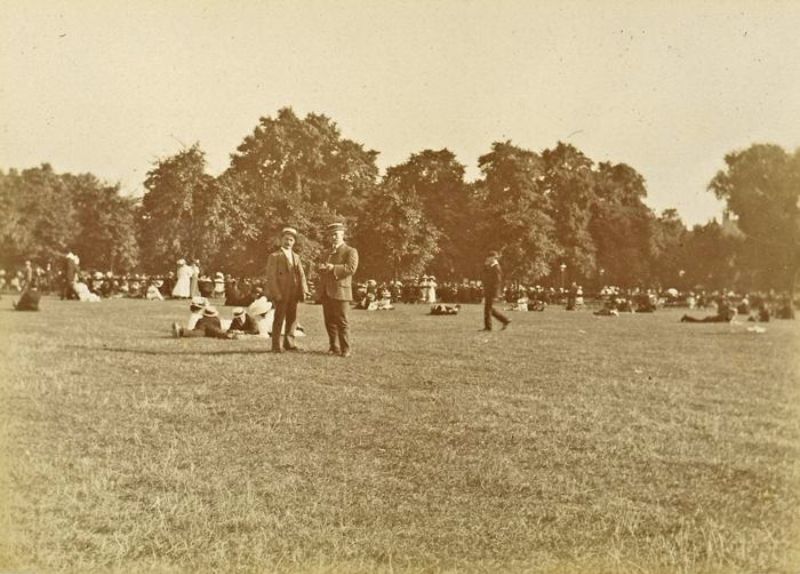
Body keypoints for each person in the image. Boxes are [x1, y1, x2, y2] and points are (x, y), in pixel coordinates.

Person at [265, 226, 309, 353]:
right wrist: (276, 293)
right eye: (285, 239)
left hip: (294, 293)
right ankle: (276, 346)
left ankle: (289, 343)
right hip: (281, 293)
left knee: (292, 318)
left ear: (294, 242)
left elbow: (301, 274)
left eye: (291, 240)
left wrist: (304, 289)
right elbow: (271, 277)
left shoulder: (296, 256)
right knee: (279, 319)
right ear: (280, 240)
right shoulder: (274, 256)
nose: (288, 242)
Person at [317, 222, 359, 357]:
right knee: (329, 321)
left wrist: (333, 268)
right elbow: (320, 268)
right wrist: (320, 268)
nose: (333, 237)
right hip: (326, 291)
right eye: (331, 235)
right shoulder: (326, 252)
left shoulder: (350, 251)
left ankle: (345, 349)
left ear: (343, 235)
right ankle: (333, 347)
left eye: (336, 234)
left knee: (342, 321)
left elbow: (351, 269)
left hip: (341, 290)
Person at [481, 251, 511, 331]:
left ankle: (488, 327)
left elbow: (497, 281)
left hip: (491, 291)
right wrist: (485, 266)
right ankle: (505, 320)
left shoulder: (496, 267)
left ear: (493, 258)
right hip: (489, 290)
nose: (487, 259)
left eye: (489, 257)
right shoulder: (491, 266)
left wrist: (495, 293)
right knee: (489, 309)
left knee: (487, 309)